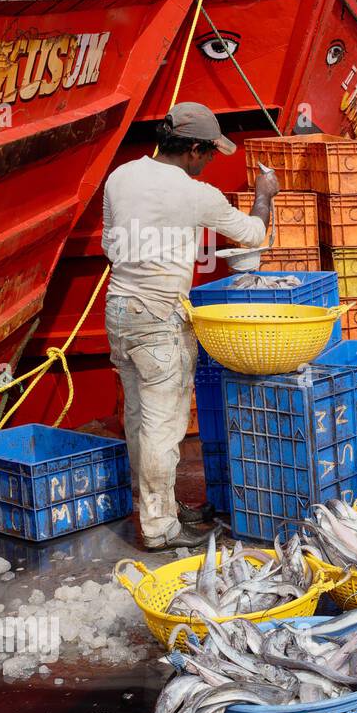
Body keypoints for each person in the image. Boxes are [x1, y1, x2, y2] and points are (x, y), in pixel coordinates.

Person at [102, 102, 276, 550]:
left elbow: (109, 243)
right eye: (210, 154)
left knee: (140, 419)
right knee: (163, 427)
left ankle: (155, 508)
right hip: (160, 318)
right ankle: (160, 529)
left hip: (119, 309)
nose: (210, 162)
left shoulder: (121, 176)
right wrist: (265, 194)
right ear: (194, 148)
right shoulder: (197, 194)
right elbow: (254, 235)